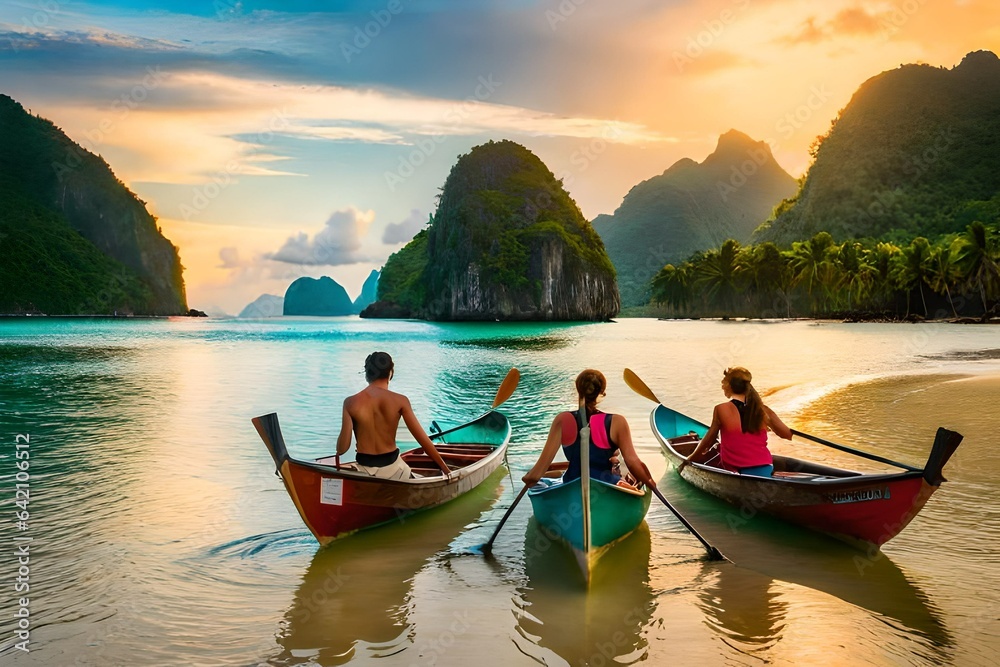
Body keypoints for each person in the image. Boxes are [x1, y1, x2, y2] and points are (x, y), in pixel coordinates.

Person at [522, 369, 656, 489]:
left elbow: (538, 472)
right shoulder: (617, 422)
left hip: (571, 482)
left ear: (578, 390)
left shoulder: (562, 420)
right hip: (606, 483)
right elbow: (632, 462)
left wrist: (528, 478)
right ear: (602, 392)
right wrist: (649, 482)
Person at [336, 352, 452, 480]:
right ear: (390, 373)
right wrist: (446, 469)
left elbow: (342, 449)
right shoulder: (400, 401)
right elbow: (423, 440)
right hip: (395, 470)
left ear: (367, 374)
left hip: (364, 469)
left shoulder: (350, 402)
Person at [678, 367, 792, 477]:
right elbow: (786, 434)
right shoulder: (763, 410)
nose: (722, 387)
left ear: (730, 386)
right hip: (765, 467)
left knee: (718, 455)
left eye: (723, 383)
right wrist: (771, 426)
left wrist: (689, 459)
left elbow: (708, 442)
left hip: (735, 469)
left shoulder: (721, 409)